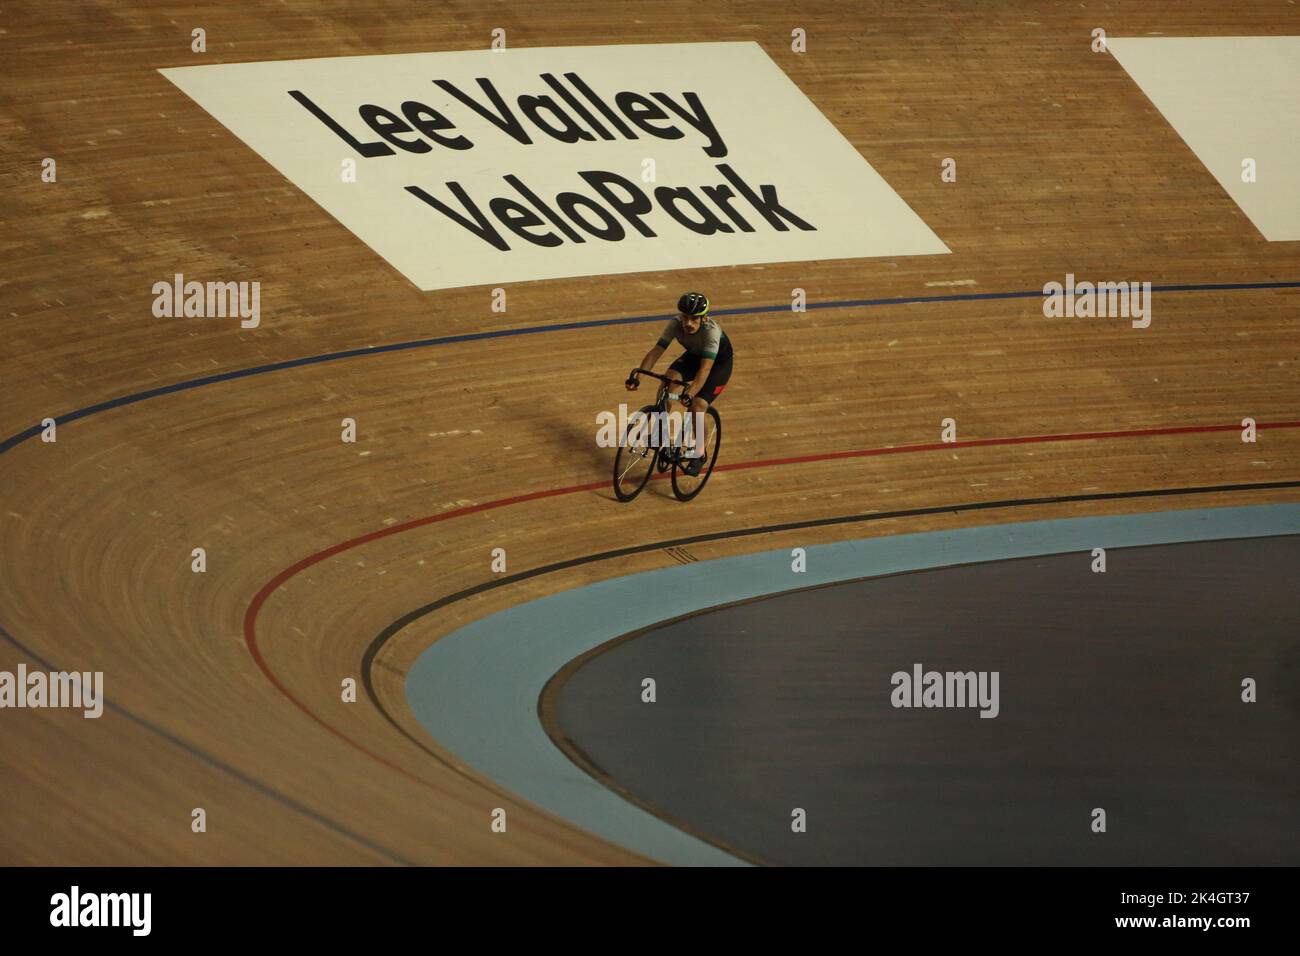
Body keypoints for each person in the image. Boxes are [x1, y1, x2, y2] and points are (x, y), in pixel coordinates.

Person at [626, 292, 733, 475]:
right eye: (685, 317)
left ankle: (699, 452)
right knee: (666, 387)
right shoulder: (675, 324)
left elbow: (704, 370)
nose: (688, 323)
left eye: (694, 319)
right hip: (694, 356)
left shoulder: (711, 333)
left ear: (704, 318)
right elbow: (656, 351)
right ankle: (662, 435)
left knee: (697, 406)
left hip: (717, 365)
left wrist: (689, 394)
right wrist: (638, 377)